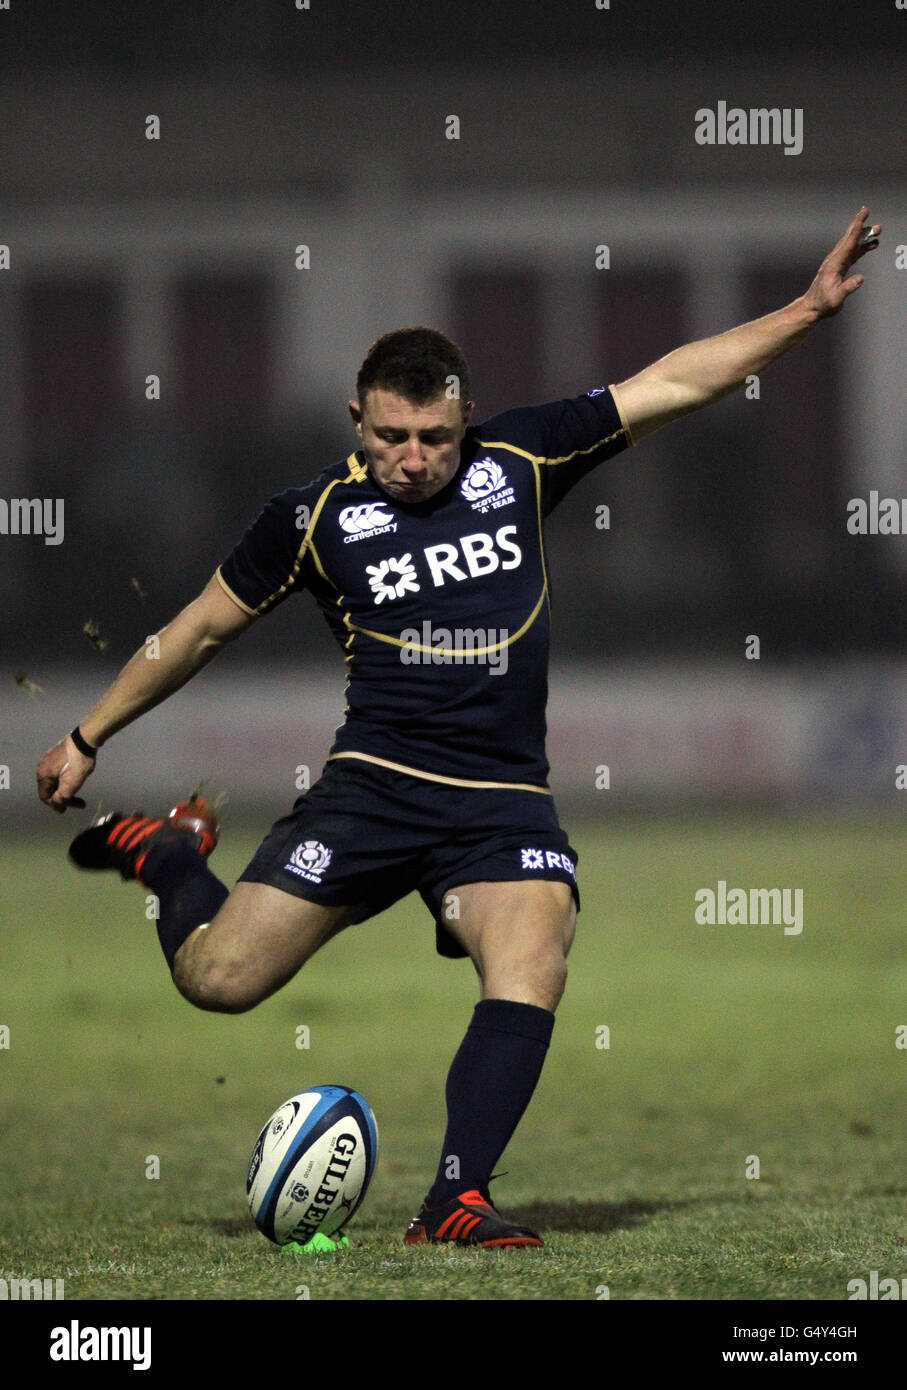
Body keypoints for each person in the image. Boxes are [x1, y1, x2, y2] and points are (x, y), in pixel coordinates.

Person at [37, 207, 879, 1249]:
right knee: (218, 980)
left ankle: (454, 1198)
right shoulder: (309, 518)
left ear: (466, 417)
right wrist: (89, 732)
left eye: (435, 435)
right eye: (390, 435)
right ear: (356, 419)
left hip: (498, 800)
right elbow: (197, 630)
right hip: (371, 788)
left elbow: (674, 380)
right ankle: (170, 855)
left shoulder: (521, 458)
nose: (413, 456)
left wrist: (803, 309)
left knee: (536, 953)